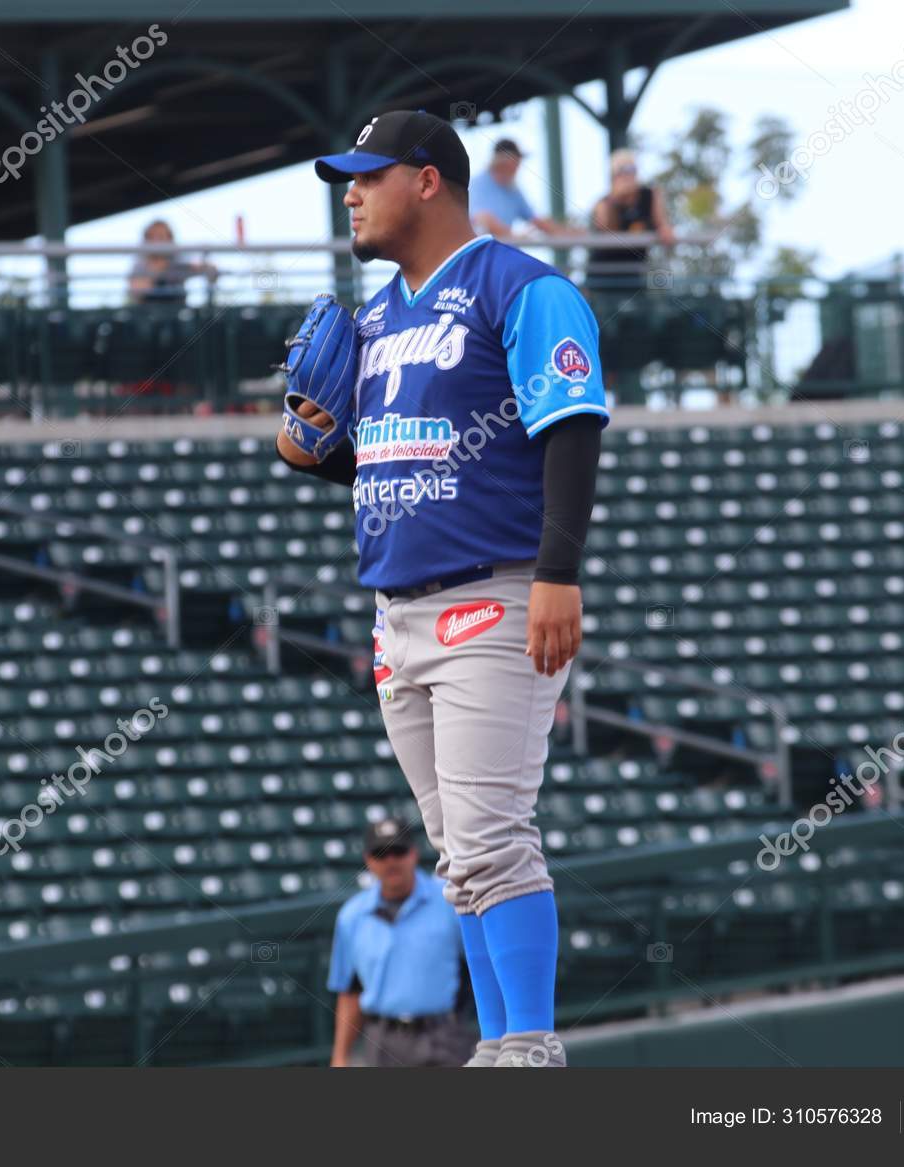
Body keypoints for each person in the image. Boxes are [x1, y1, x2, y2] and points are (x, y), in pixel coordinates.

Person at [280, 109, 608, 1067]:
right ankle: (499, 1044)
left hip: (493, 593)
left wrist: (558, 572)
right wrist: (312, 450)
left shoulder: (521, 286)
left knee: (493, 838)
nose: (350, 194)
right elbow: (390, 459)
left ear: (427, 180)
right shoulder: (377, 315)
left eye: (367, 176)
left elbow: (571, 424)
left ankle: (531, 1045)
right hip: (399, 610)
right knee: (459, 852)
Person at [327, 818, 475, 1067]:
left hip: (444, 1033)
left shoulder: (449, 901)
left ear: (413, 853)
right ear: (368, 860)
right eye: (381, 854)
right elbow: (350, 992)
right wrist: (340, 1056)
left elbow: (479, 967)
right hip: (381, 1038)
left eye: (398, 851)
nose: (391, 861)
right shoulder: (352, 916)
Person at [586, 148, 675, 293]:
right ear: (613, 176)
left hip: (635, 274)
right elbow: (607, 232)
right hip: (603, 276)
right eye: (623, 170)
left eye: (632, 169)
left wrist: (664, 229)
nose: (628, 175)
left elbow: (663, 226)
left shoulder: (649, 196)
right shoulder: (604, 204)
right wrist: (616, 201)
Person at [467, 139, 571, 241]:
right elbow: (483, 219)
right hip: (483, 248)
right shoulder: (478, 184)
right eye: (514, 161)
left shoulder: (512, 189)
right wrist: (515, 236)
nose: (517, 167)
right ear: (501, 162)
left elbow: (536, 220)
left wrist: (568, 233)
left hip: (502, 247)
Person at [127, 218, 217, 305]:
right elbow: (136, 293)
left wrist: (202, 266)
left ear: (170, 239)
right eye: (152, 237)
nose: (156, 241)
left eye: (161, 237)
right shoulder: (140, 265)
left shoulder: (178, 262)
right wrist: (157, 270)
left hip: (178, 312)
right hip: (146, 312)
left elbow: (211, 270)